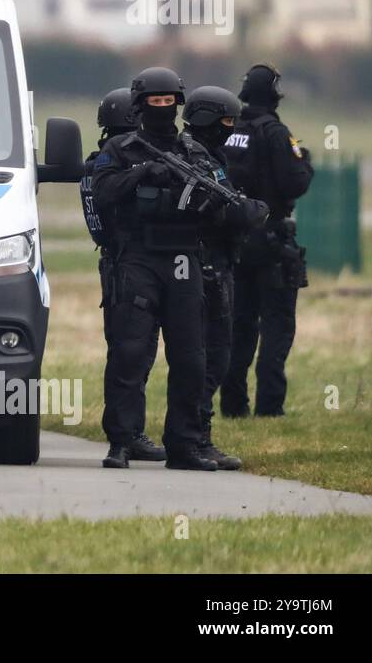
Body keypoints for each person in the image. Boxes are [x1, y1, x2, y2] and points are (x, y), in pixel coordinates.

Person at [92, 66, 217, 471]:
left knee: (191, 357)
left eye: (168, 101)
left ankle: (185, 444)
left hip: (182, 259)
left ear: (178, 104)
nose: (162, 108)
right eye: (155, 101)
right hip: (138, 259)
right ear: (139, 105)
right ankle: (122, 441)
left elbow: (219, 203)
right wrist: (143, 172)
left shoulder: (195, 153)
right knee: (129, 352)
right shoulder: (121, 149)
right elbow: (102, 191)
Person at [220, 63, 314, 417]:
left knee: (238, 324)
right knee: (277, 325)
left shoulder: (231, 130)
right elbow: (294, 182)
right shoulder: (276, 133)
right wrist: (305, 161)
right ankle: (270, 406)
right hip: (272, 239)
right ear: (275, 93)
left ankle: (233, 405)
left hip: (235, 240)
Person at [183, 86, 269, 468]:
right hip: (206, 266)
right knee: (211, 356)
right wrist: (254, 209)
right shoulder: (194, 157)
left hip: (214, 263)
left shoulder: (205, 154)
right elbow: (226, 210)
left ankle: (195, 437)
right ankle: (193, 439)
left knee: (212, 355)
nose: (231, 128)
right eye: (227, 121)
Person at [80, 87, 165, 463]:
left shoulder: (96, 163)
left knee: (127, 350)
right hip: (129, 263)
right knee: (134, 353)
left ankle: (128, 432)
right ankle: (128, 434)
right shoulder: (119, 164)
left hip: (114, 262)